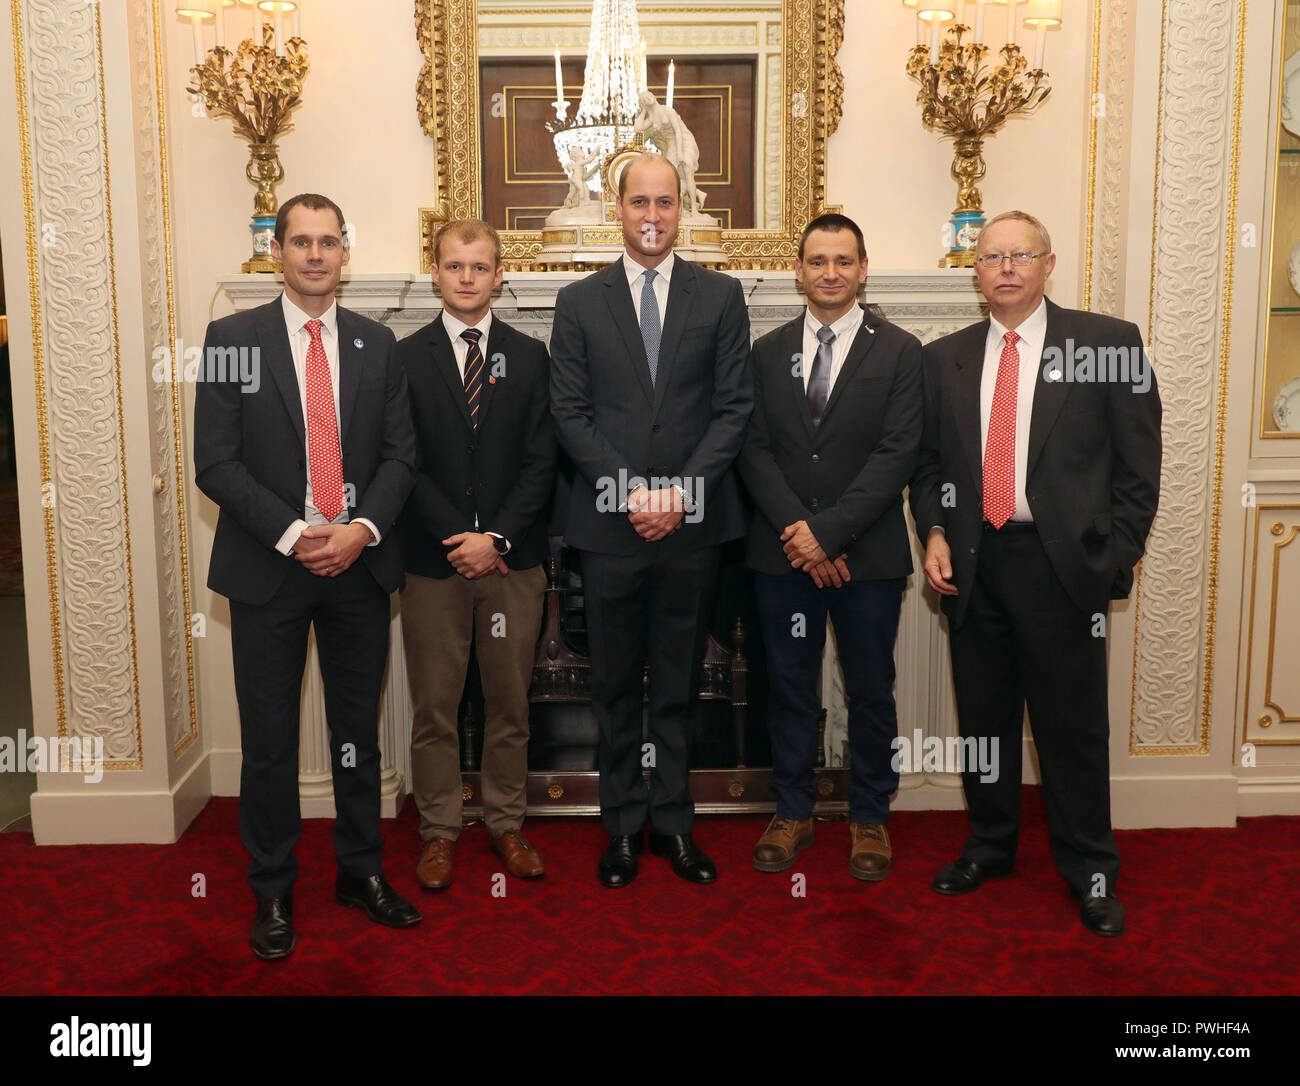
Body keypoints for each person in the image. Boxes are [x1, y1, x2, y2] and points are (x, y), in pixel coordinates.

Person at [909, 210, 1162, 936]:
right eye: (992, 257)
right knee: (984, 720)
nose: (1007, 267)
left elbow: (1139, 468)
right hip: (974, 565)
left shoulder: (1107, 344)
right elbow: (927, 467)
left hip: (1064, 570)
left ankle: (1091, 869)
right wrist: (932, 531)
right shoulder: (944, 358)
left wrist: (1109, 561)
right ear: (977, 272)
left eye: (1021, 255)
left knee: (1071, 729)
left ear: (1049, 265)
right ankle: (990, 845)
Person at [194, 192, 421, 961]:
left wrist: (357, 531)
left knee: (357, 737)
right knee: (268, 743)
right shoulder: (231, 337)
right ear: (278, 252)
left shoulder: (376, 344)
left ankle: (360, 873)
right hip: (269, 572)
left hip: (357, 570)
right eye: (301, 242)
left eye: (328, 242)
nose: (315, 254)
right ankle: (273, 890)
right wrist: (298, 535)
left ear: (345, 252)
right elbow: (214, 464)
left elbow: (400, 456)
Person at [549, 152, 752, 887]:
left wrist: (679, 497)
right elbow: (569, 413)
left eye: (666, 202)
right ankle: (623, 828)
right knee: (612, 687)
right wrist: (634, 494)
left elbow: (733, 410)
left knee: (677, 683)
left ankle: (675, 824)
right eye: (640, 201)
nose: (653, 216)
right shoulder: (579, 302)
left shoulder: (722, 296)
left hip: (692, 530)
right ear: (617, 207)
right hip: (609, 529)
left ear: (683, 206)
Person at [738, 214, 923, 881]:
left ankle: (870, 816)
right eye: (817, 261)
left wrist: (831, 533)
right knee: (789, 689)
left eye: (843, 261)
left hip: (866, 559)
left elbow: (897, 454)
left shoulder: (902, 353)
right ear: (799, 271)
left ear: (863, 268)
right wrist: (803, 535)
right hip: (783, 557)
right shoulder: (766, 353)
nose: (830, 273)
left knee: (870, 688)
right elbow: (752, 450)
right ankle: (793, 811)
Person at [396, 219, 556, 890]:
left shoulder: (529, 356)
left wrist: (497, 539)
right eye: (455, 266)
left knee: (508, 702)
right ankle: (438, 831)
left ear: (499, 275)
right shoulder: (401, 359)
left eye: (480, 267)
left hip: (512, 565)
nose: (467, 278)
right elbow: (399, 461)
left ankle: (505, 823)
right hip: (434, 564)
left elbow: (542, 461)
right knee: (435, 707)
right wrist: (460, 539)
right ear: (434, 273)